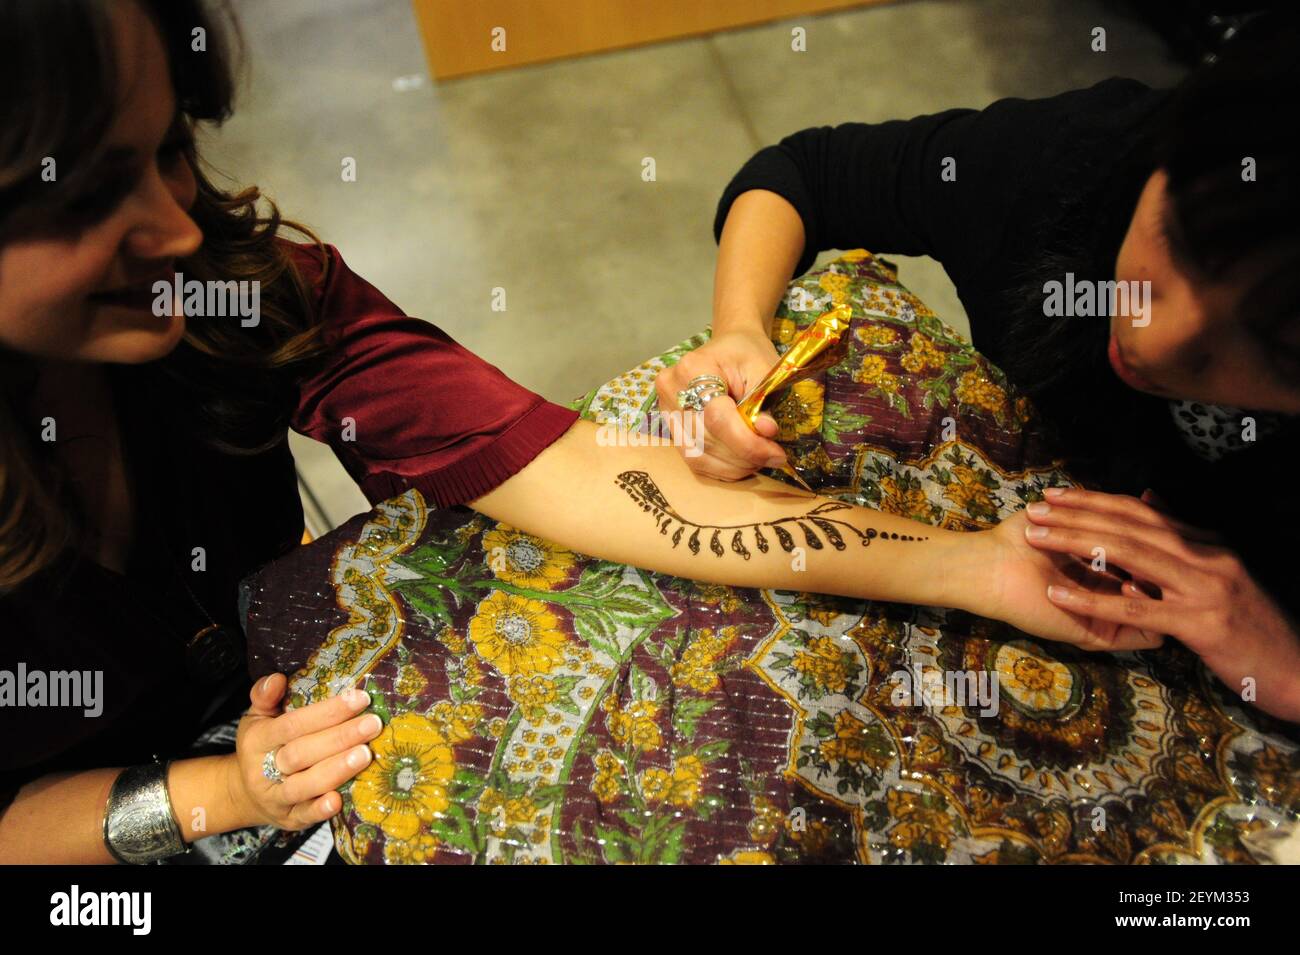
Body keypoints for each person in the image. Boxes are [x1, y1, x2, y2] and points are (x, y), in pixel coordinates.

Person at [0, 0, 1291, 865]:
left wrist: (968, 565)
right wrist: (215, 794)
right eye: (88, 193)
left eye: (170, 148)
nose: (175, 227)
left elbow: (567, 471)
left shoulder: (228, 289)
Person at [660, 11, 1300, 729]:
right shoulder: (1071, 164)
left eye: (1274, 350)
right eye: (1177, 240)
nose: (1156, 337)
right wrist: (740, 330)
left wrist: (1285, 665)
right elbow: (803, 173)